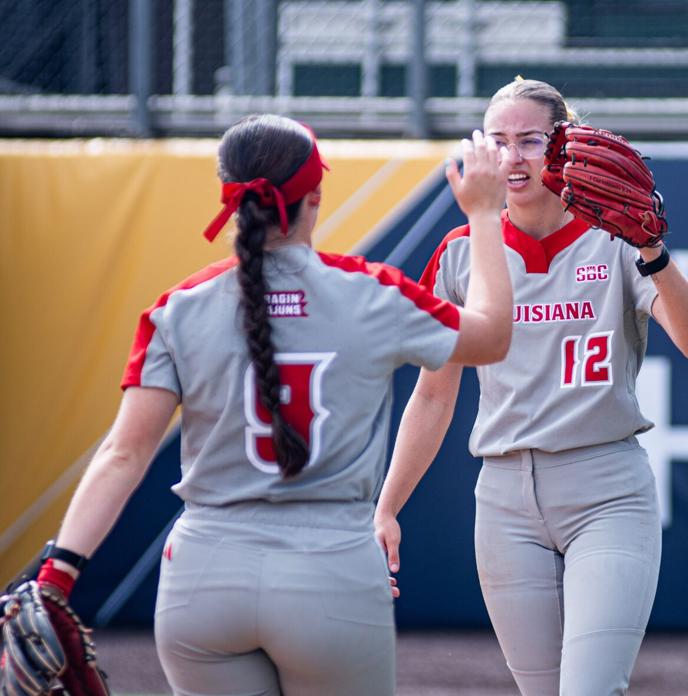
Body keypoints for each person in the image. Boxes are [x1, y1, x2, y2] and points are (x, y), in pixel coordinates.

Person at [34, 114, 515, 695]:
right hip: (331, 570)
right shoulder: (372, 292)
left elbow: (123, 454)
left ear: (230, 199)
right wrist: (483, 214)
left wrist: (59, 571)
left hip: (204, 579)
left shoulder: (177, 309)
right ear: (315, 197)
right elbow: (492, 337)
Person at [374, 78, 688, 695]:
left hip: (606, 487)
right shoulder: (462, 252)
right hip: (503, 497)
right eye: (497, 141)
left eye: (531, 140)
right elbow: (433, 394)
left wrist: (653, 249)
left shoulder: (616, 237)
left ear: (566, 144)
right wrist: (387, 506)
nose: (512, 157)